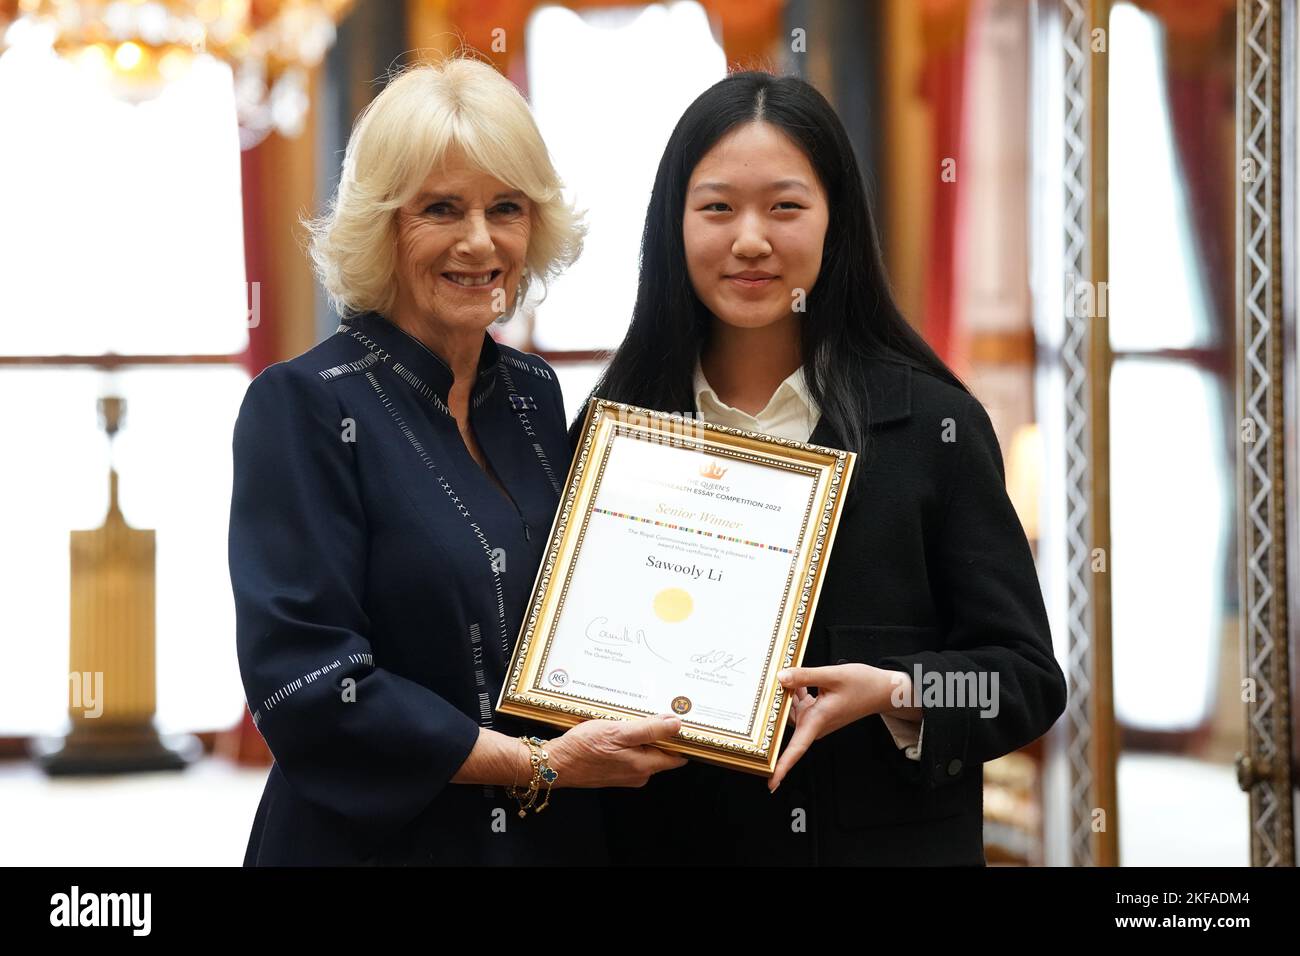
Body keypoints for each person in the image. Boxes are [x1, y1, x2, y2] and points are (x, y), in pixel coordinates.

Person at [580, 71, 1068, 865]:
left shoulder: (934, 428)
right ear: (672, 224)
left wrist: (897, 690)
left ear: (835, 222)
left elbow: (1023, 682)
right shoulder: (614, 432)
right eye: (715, 207)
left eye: (785, 206)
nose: (749, 239)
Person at [229, 56, 684, 866]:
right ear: (383, 225)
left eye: (505, 208)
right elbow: (308, 689)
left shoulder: (534, 393)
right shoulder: (300, 407)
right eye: (442, 209)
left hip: (549, 841)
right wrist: (540, 764)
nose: (481, 241)